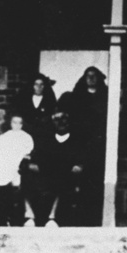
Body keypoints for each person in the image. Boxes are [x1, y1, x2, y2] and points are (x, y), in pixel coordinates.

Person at [25, 94, 84, 227]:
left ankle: (53, 217)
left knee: (62, 183)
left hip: (65, 176)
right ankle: (30, 216)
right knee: (30, 179)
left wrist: (75, 166)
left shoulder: (75, 141)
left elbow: (78, 163)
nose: (61, 122)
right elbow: (37, 160)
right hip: (47, 174)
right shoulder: (47, 140)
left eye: (64, 118)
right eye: (56, 119)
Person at [69, 66, 108, 224]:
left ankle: (95, 216)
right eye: (88, 76)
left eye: (94, 76)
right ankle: (80, 216)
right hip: (82, 142)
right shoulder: (78, 96)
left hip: (98, 143)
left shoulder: (104, 95)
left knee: (96, 179)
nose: (91, 79)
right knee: (81, 179)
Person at [0, 112, 34, 226]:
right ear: (10, 123)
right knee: (1, 172)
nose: (17, 125)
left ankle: (18, 216)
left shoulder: (26, 137)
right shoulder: (5, 136)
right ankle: (4, 216)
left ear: (22, 124)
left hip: (19, 166)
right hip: (6, 164)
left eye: (19, 123)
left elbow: (28, 153)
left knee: (18, 181)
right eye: (14, 122)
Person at [19, 73, 57, 141]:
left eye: (41, 84)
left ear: (44, 86)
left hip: (43, 135)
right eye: (36, 84)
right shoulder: (25, 100)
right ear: (32, 85)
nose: (39, 87)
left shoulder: (49, 100)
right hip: (27, 134)